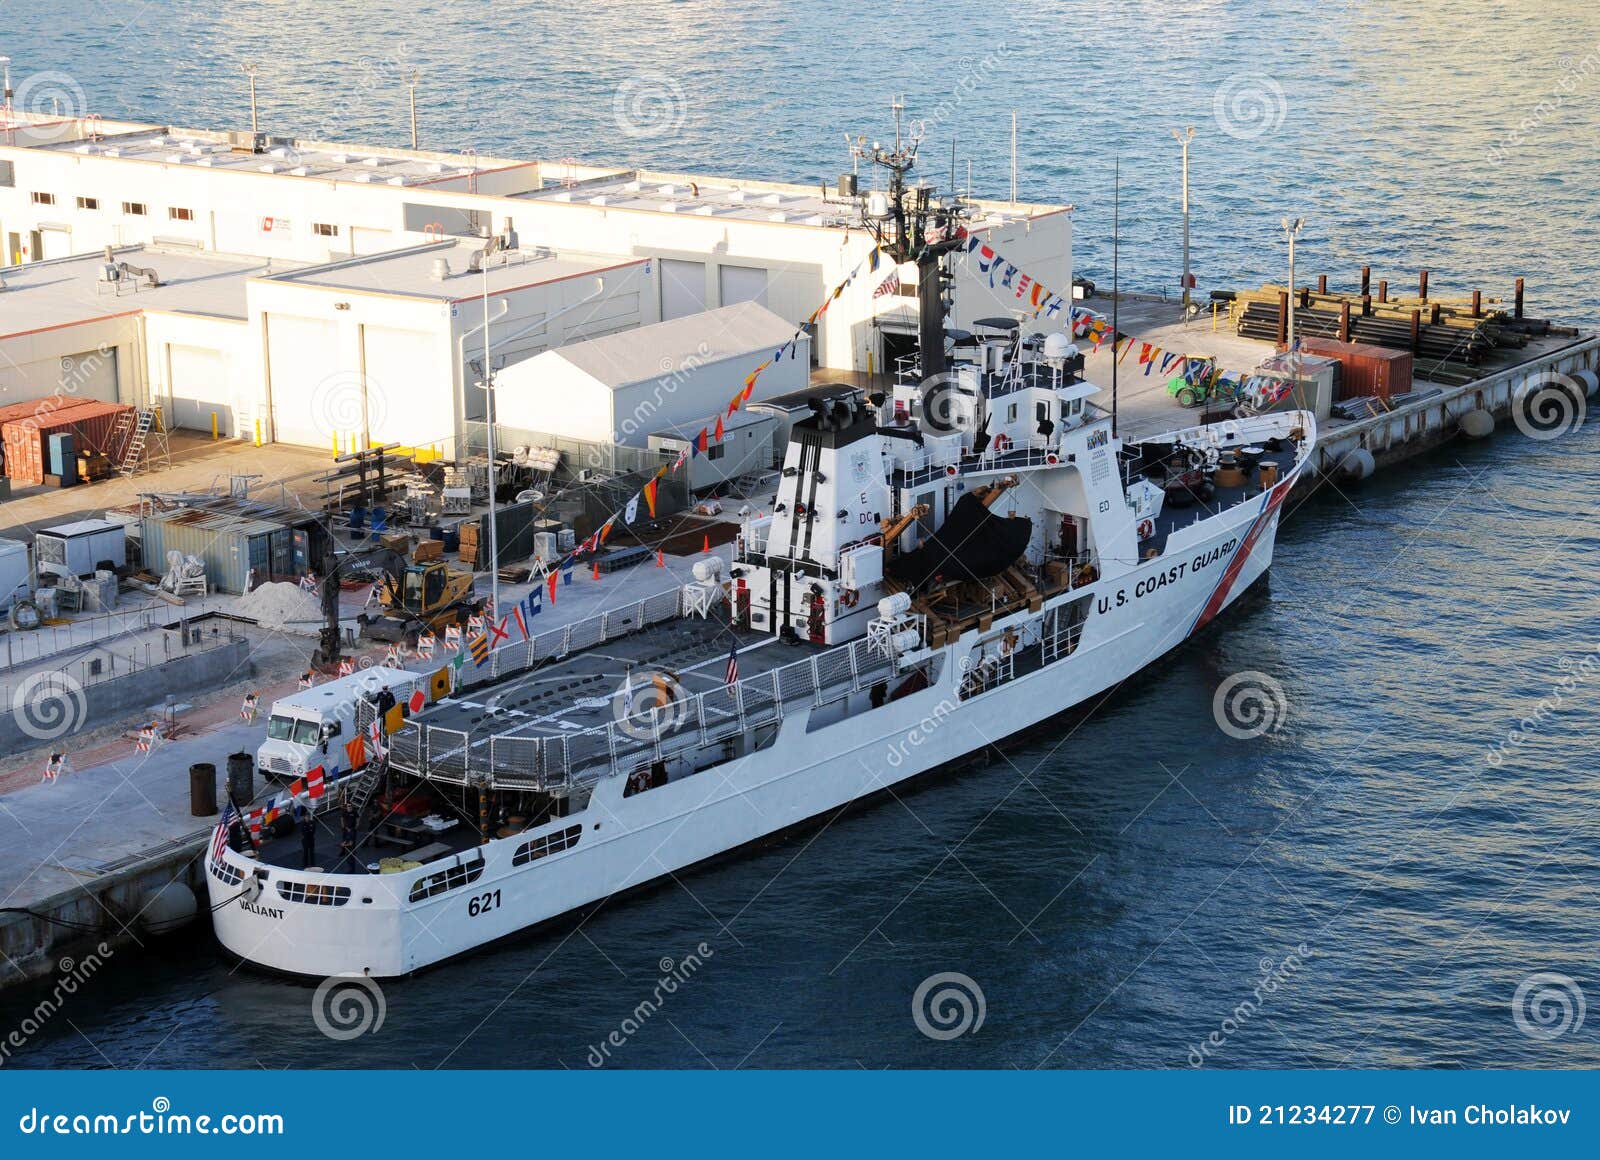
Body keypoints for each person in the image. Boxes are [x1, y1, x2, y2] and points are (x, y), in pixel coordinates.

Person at [296, 803, 316, 869]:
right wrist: (309, 830)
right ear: (304, 817)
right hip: (305, 840)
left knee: (312, 852)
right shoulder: (302, 823)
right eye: (306, 816)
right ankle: (305, 864)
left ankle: (312, 864)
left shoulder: (312, 822)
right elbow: (303, 832)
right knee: (305, 852)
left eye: (308, 816)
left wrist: (309, 831)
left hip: (311, 839)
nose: (307, 818)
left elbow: (313, 831)